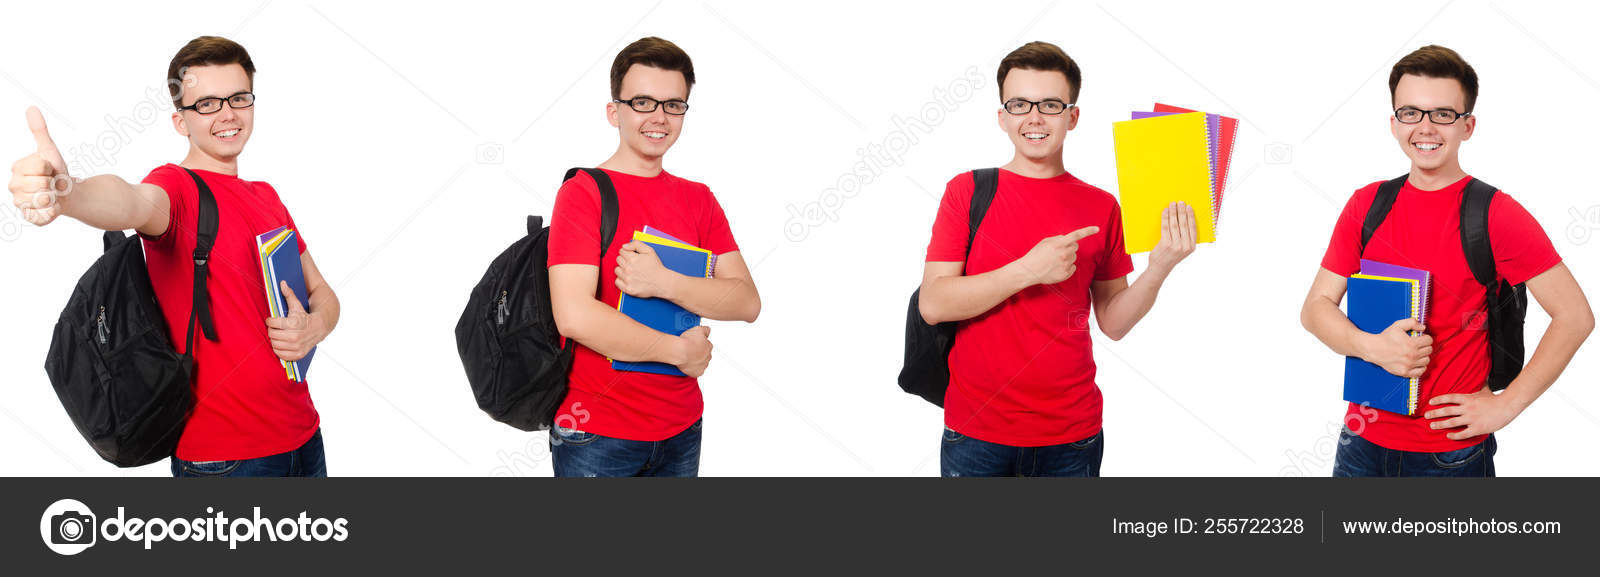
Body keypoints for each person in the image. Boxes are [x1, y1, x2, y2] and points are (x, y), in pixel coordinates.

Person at [8, 36, 339, 477]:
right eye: (206, 104)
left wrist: (314, 326)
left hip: (305, 439)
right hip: (225, 463)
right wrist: (70, 193)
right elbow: (130, 201)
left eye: (239, 98)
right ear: (181, 121)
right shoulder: (176, 188)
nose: (227, 114)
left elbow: (323, 292)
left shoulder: (267, 197)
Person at [1300, 45, 1594, 477]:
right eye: (1411, 113)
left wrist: (1506, 406)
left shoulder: (1496, 214)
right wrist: (1372, 347)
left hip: (1450, 456)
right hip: (1359, 444)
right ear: (1394, 123)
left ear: (1467, 126)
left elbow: (1575, 316)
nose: (1425, 128)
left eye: (1443, 114)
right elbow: (1314, 309)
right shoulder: (1366, 205)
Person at [919, 41, 1198, 477]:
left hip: (1072, 436)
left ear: (1072, 116)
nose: (1034, 117)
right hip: (976, 433)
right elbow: (934, 305)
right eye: (1019, 104)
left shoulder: (1103, 206)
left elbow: (1114, 322)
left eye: (1050, 104)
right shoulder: (967, 191)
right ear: (1002, 117)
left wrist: (1160, 266)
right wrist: (1029, 270)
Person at [545, 37, 761, 477]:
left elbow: (746, 302)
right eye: (642, 102)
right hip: (596, 433)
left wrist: (663, 282)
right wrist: (679, 353)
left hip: (681, 427)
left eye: (673, 104)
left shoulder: (699, 199)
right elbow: (574, 316)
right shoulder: (583, 193)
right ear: (614, 111)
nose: (659, 117)